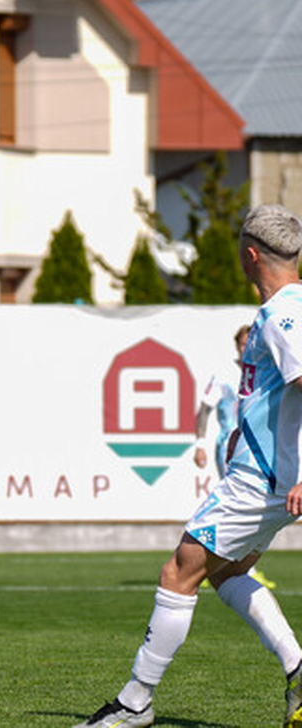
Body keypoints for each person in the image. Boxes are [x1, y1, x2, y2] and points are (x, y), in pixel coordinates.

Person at [76, 204, 302, 728]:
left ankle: (136, 701)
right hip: (263, 473)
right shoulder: (288, 308)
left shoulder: (283, 313)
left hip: (263, 481)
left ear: (250, 256)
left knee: (179, 572)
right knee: (227, 573)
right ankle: (297, 665)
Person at [193, 324, 276, 590]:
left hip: (262, 449)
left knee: (256, 507)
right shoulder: (224, 375)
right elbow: (204, 410)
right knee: (234, 503)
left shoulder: (268, 371)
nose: (246, 347)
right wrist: (199, 444)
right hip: (231, 447)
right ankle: (216, 565)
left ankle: (236, 566)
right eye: (242, 343)